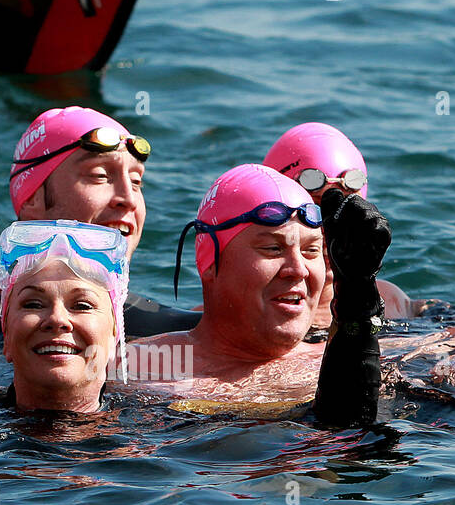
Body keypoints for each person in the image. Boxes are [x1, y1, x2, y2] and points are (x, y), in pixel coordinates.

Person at [0, 106, 199, 353]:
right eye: (100, 176)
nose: (128, 199)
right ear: (31, 200)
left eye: (137, 182)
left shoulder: (185, 334)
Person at [123, 164, 388, 425]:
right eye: (273, 249)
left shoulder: (372, 361)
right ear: (209, 260)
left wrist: (359, 299)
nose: (298, 270)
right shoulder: (130, 370)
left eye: (311, 251)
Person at [262, 121, 414, 320]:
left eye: (348, 210)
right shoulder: (234, 318)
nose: (335, 227)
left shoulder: (391, 303)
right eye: (315, 211)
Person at [0, 220, 130, 413]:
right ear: (6, 334)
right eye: (33, 304)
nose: (57, 319)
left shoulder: (165, 430)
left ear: (114, 334)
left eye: (82, 305)